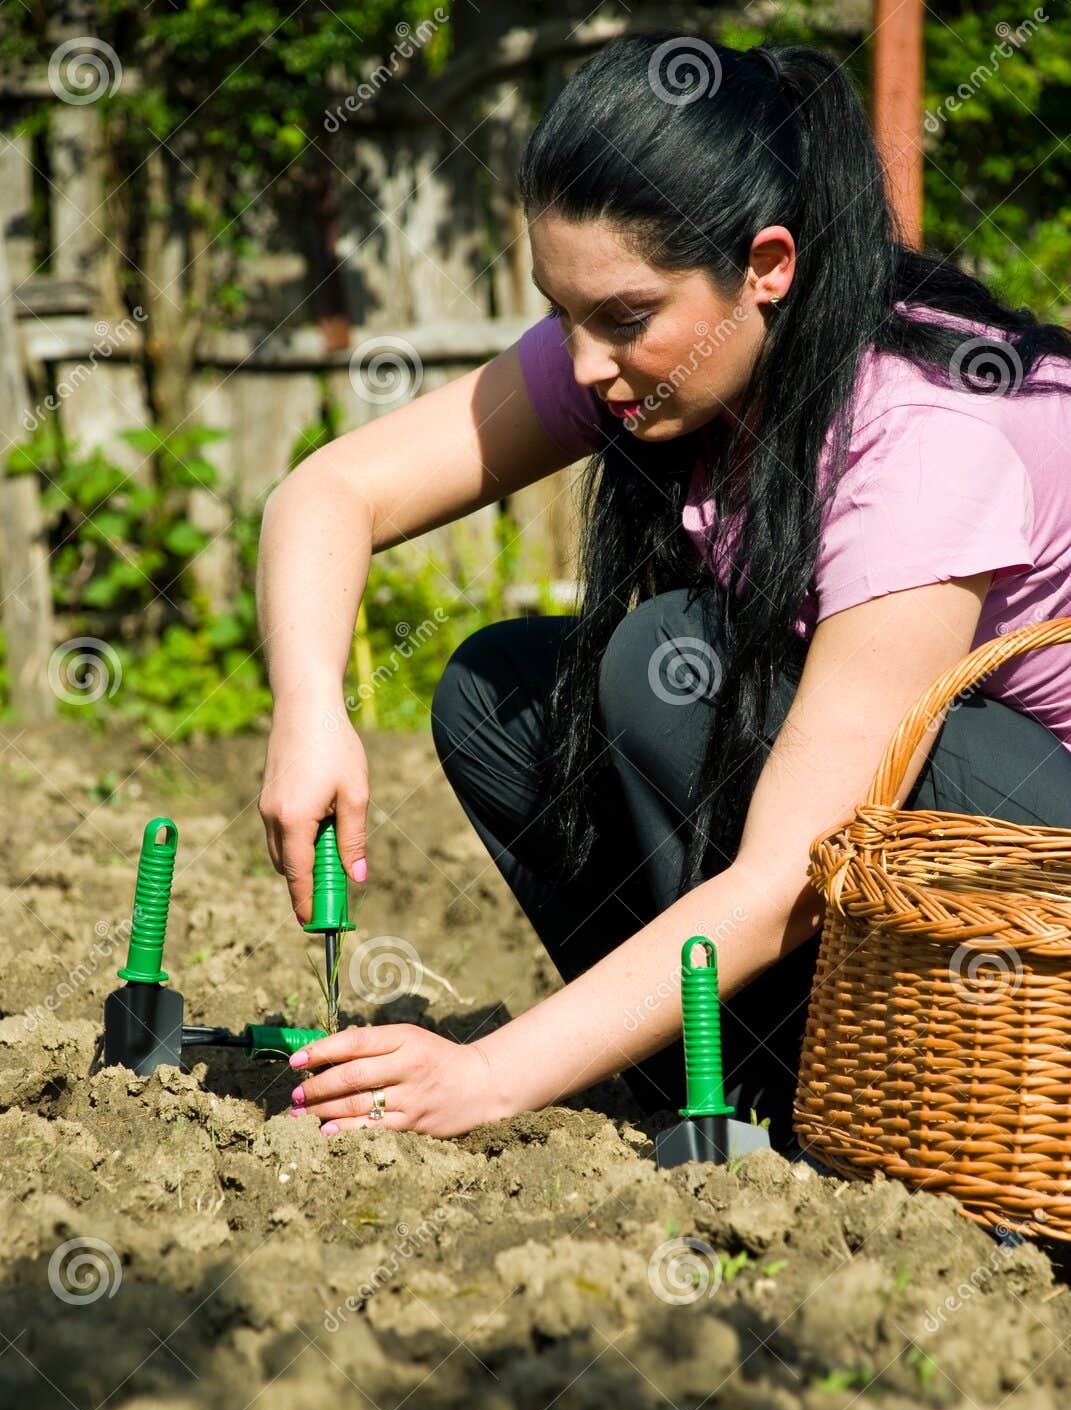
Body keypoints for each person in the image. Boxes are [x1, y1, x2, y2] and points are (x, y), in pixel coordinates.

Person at [256, 32, 1071, 1154]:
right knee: (501, 692)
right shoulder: (646, 356)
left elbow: (793, 868)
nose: (584, 363)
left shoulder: (920, 435)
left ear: (767, 266)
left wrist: (487, 1075)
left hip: (1035, 897)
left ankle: (855, 1099)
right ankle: (731, 1085)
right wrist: (309, 707)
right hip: (916, 840)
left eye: (624, 319)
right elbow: (330, 491)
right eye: (563, 311)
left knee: (664, 662)